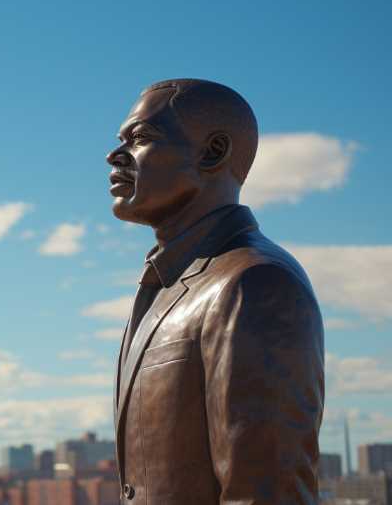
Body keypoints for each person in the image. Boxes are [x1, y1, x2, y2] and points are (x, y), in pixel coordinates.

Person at [106, 79, 325, 503]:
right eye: (121, 141)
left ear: (213, 152)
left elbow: (266, 494)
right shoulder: (169, 285)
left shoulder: (254, 283)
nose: (114, 156)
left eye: (141, 139)